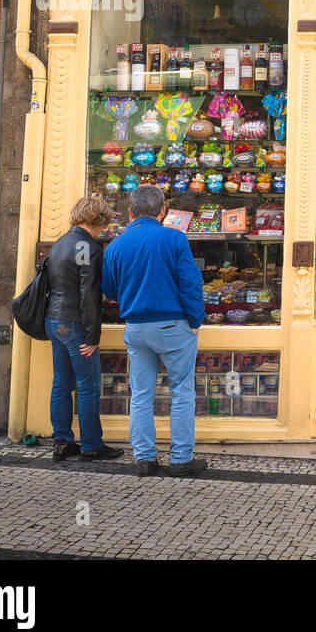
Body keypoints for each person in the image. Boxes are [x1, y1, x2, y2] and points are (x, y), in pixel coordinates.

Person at [101, 184, 207, 477]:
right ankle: (181, 459)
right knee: (182, 391)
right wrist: (196, 320)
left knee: (141, 394)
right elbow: (190, 284)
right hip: (173, 325)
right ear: (163, 211)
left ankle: (145, 458)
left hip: (136, 326)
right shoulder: (174, 238)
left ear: (131, 212)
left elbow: (109, 287)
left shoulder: (115, 245)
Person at [43, 195, 123, 463]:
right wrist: (92, 336)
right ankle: (91, 444)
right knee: (88, 385)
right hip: (75, 323)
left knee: (61, 383)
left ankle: (62, 442)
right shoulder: (88, 247)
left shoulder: (61, 243)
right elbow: (89, 296)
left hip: (54, 321)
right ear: (99, 220)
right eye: (105, 221)